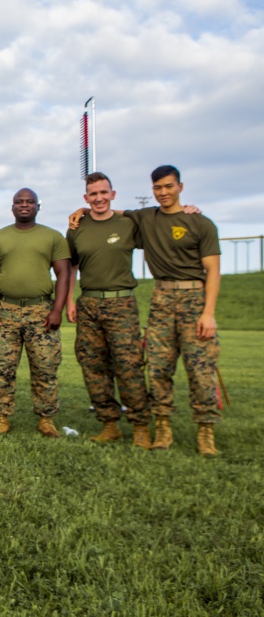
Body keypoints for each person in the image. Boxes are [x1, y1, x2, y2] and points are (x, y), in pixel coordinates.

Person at [124, 166, 221, 455]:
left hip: (195, 299)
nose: (163, 192)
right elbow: (110, 213)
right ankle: (163, 427)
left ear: (180, 186)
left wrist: (208, 313)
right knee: (158, 368)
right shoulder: (146, 218)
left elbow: (213, 271)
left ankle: (206, 431)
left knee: (201, 369)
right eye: (158, 188)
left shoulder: (201, 223)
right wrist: (81, 208)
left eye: (168, 186)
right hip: (162, 299)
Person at [65, 173, 151, 448]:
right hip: (89, 303)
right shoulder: (77, 226)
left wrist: (188, 209)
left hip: (121, 303)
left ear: (113, 194)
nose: (99, 198)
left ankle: (140, 426)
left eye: (104, 193)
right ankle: (109, 423)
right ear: (86, 198)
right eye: (93, 194)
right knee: (92, 366)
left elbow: (157, 218)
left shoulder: (127, 224)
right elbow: (71, 267)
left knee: (128, 366)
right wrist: (69, 301)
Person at [0, 188, 71, 438]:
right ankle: (0, 418)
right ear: (12, 207)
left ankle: (46, 419)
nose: (24, 205)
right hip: (5, 311)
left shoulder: (53, 237)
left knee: (45, 367)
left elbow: (64, 274)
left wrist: (57, 310)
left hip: (41, 311)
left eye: (29, 202)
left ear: (37, 207)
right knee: (1, 368)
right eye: (19, 202)